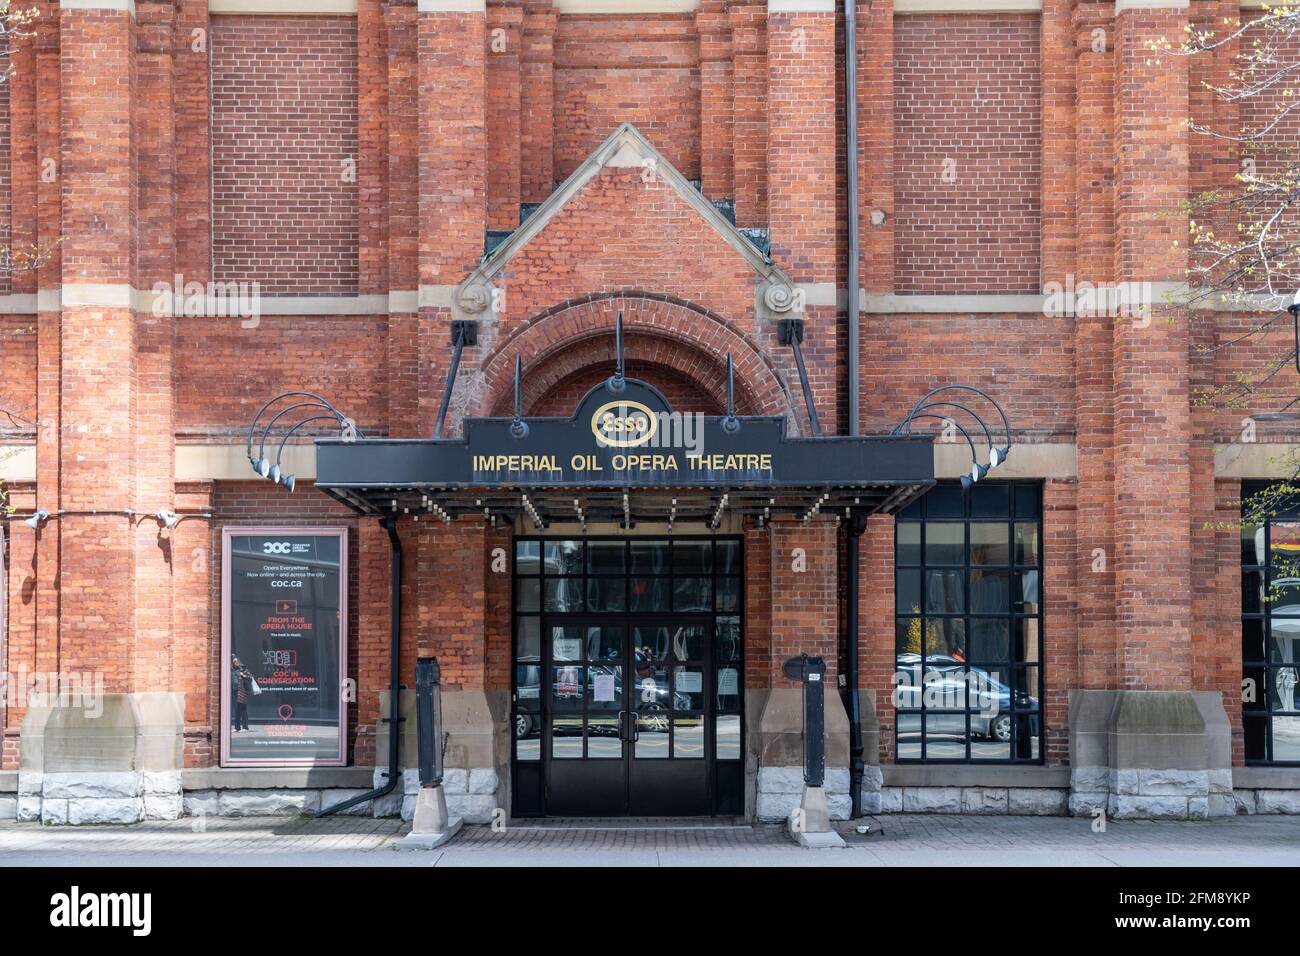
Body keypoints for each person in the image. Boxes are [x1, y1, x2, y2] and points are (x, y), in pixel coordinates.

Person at [231, 656, 252, 733]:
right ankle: (237, 727)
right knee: (236, 710)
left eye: (236, 661)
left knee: (243, 709)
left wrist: (243, 675)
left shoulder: (243, 669)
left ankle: (245, 727)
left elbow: (250, 678)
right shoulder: (232, 670)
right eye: (234, 661)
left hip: (242, 691)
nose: (235, 663)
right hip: (234, 691)